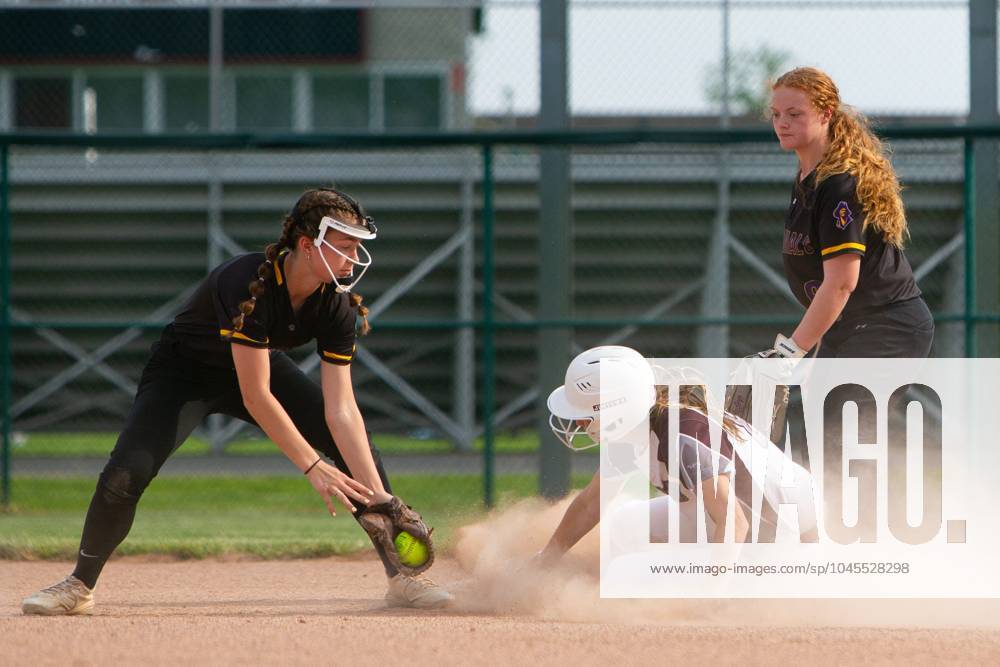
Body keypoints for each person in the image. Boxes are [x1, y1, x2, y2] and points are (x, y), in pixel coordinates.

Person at [22, 187, 452, 615]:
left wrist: (379, 497)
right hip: (184, 374)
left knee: (356, 453)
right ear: (307, 245)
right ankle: (78, 585)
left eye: (357, 247)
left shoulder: (335, 307)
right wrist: (312, 466)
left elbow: (341, 411)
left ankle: (403, 580)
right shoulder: (249, 282)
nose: (353, 258)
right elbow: (256, 397)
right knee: (125, 473)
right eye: (344, 247)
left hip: (257, 368)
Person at [538, 347, 817, 565]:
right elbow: (591, 503)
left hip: (790, 535)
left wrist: (709, 593)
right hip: (737, 523)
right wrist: (545, 559)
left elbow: (734, 521)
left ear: (616, 410)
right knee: (623, 527)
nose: (579, 425)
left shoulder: (684, 435)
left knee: (640, 575)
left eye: (586, 417)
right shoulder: (633, 430)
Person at [760, 67, 934, 360]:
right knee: (821, 406)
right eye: (776, 114)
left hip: (887, 326)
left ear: (826, 114)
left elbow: (842, 283)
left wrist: (790, 351)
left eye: (794, 114)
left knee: (847, 407)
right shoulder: (808, 176)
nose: (782, 123)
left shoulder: (839, 184)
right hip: (850, 326)